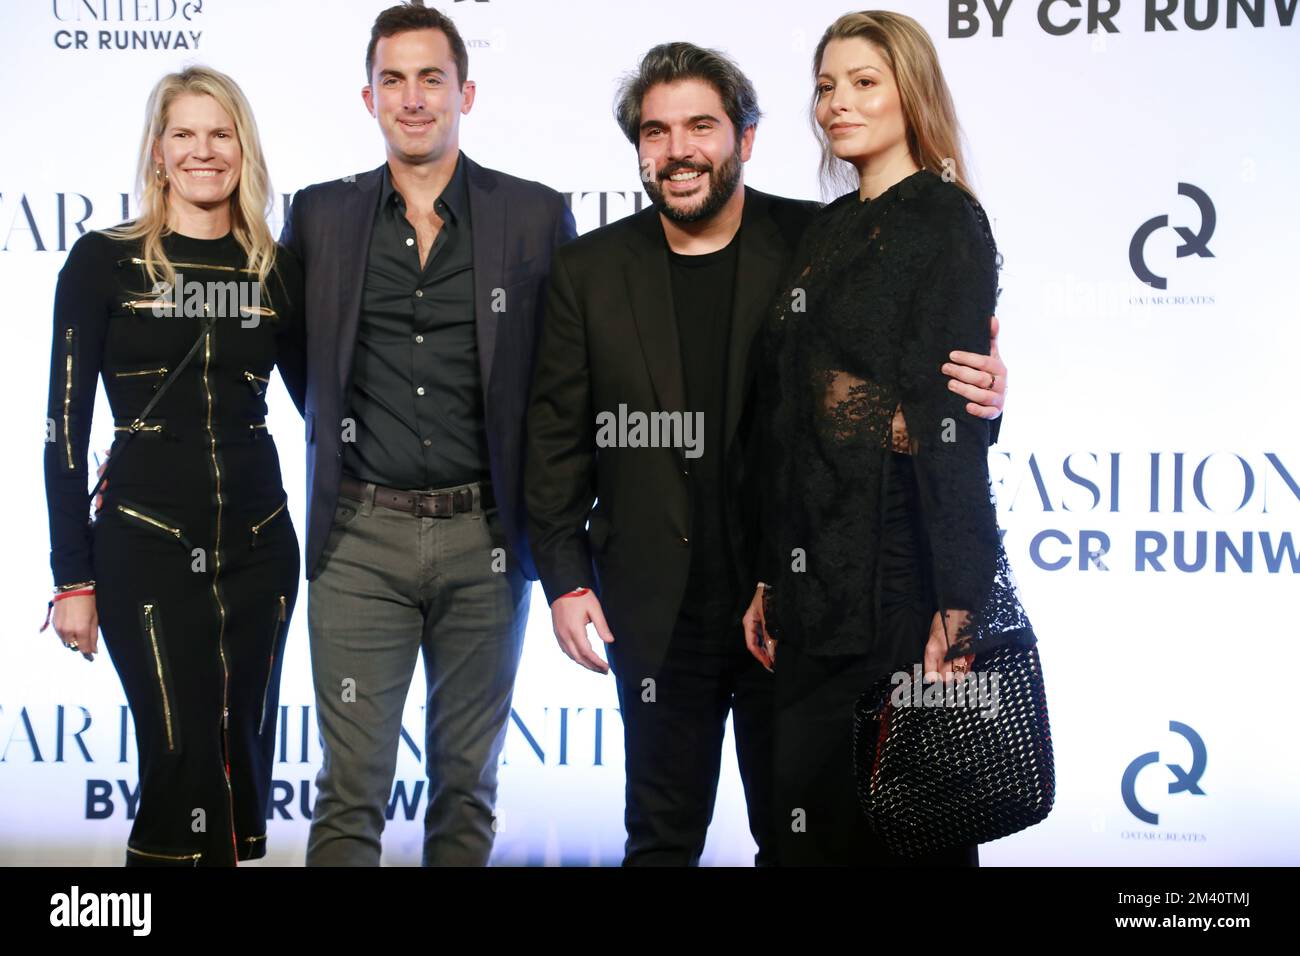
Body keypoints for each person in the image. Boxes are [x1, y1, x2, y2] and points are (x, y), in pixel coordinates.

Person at [525, 42, 1007, 866]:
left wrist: (979, 398)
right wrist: (565, 576)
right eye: (656, 131)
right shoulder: (589, 268)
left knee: (799, 834)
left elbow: (915, 390)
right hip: (663, 604)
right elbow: (553, 436)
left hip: (801, 606)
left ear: (745, 138)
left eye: (701, 126)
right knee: (662, 838)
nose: (678, 149)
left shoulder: (811, 237)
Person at [282, 2, 575, 866]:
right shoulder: (320, 217)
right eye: (394, 80)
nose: (413, 99)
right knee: (350, 793)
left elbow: (567, 377)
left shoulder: (531, 215)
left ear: (466, 93)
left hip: (486, 539)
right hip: (358, 540)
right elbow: (304, 368)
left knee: (466, 789)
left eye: (431, 79)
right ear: (368, 97)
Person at [744, 10, 1037, 867]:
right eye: (826, 85)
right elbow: (787, 413)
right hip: (809, 586)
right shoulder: (827, 229)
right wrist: (771, 569)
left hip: (900, 582)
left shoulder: (946, 222)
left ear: (909, 92)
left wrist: (960, 600)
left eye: (863, 82)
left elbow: (949, 429)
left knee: (906, 836)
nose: (838, 102)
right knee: (803, 841)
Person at [42, 66, 306, 866]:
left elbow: (329, 408)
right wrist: (72, 578)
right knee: (177, 763)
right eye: (184, 134)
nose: (203, 151)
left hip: (261, 549)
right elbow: (63, 429)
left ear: (243, 148)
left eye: (220, 134)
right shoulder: (103, 263)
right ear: (158, 152)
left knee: (233, 770)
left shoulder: (275, 270)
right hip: (145, 550)